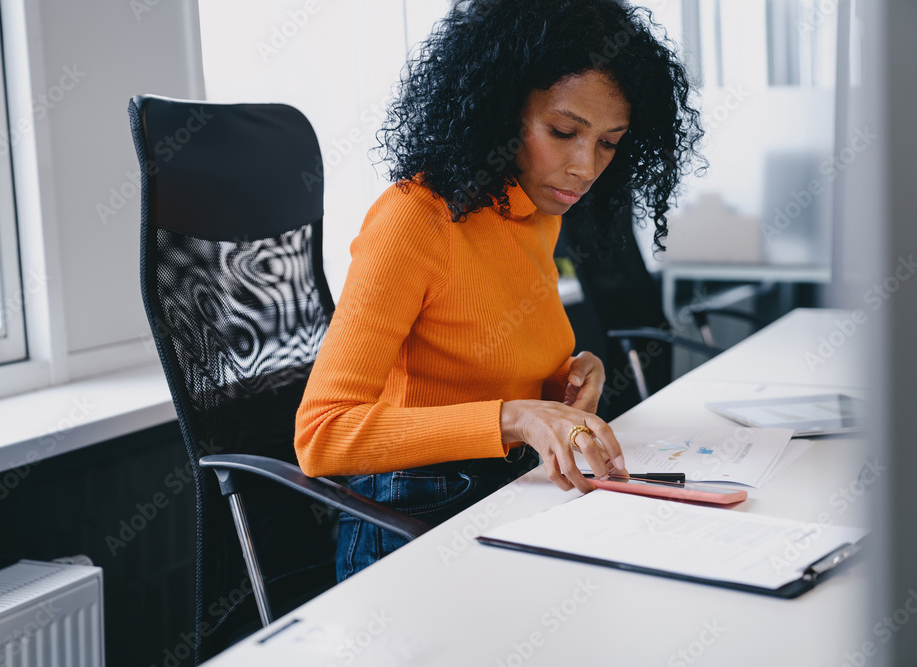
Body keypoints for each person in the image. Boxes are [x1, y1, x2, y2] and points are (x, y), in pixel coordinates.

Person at [294, 0, 703, 581]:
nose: (585, 167)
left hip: (510, 493)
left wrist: (566, 381)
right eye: (563, 132)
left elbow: (491, 366)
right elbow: (322, 436)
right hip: (414, 521)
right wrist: (515, 419)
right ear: (502, 109)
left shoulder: (537, 212)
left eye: (609, 142)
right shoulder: (415, 219)